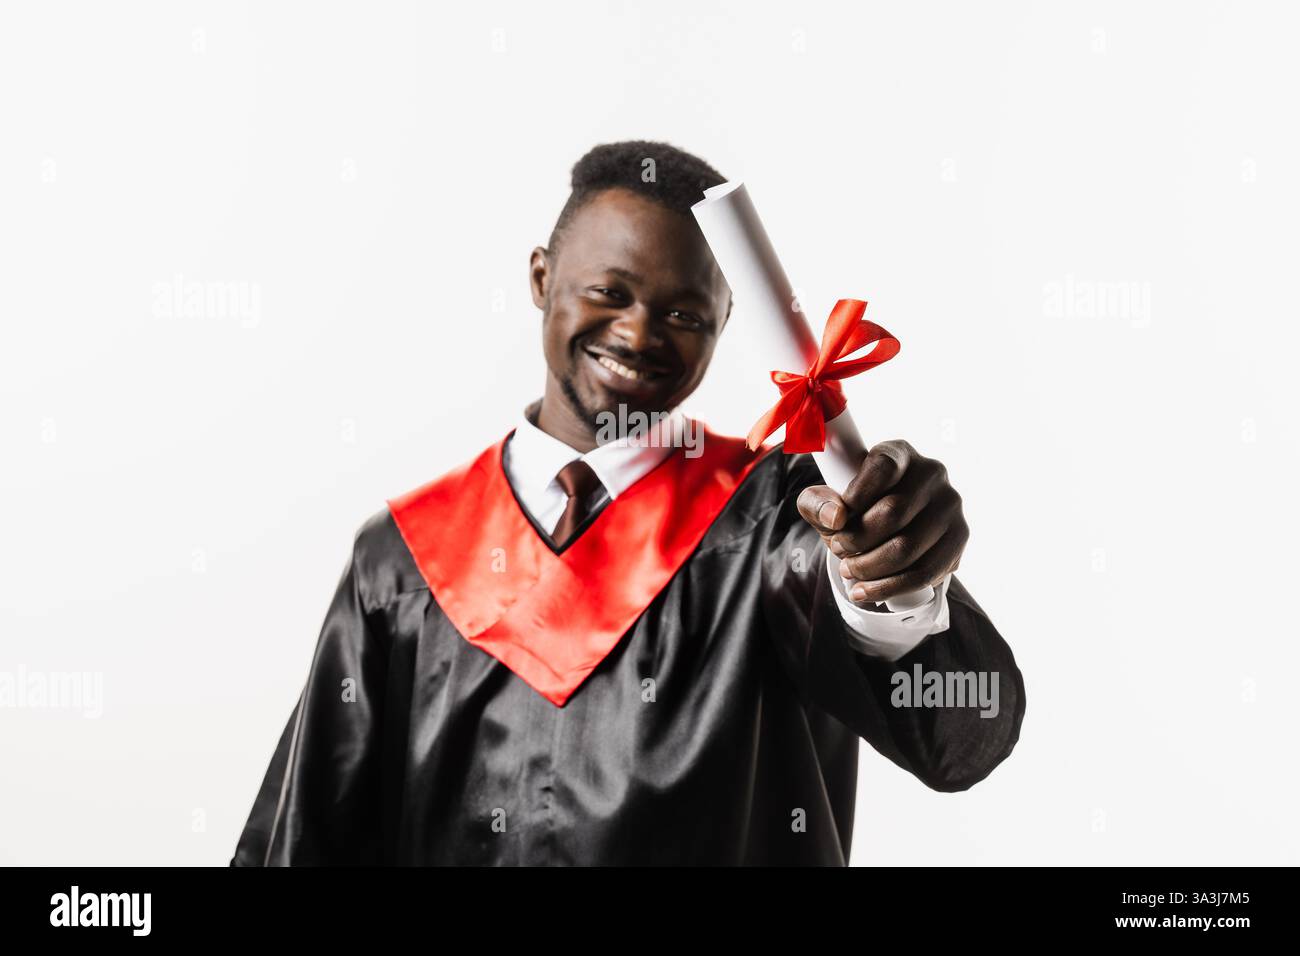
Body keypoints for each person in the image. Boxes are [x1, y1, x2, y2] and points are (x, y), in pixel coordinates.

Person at [231, 140, 1025, 866]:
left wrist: (895, 582)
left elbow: (959, 737)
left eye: (683, 313)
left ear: (723, 322)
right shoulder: (401, 558)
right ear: (541, 278)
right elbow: (311, 835)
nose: (640, 335)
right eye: (609, 292)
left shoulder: (776, 518)